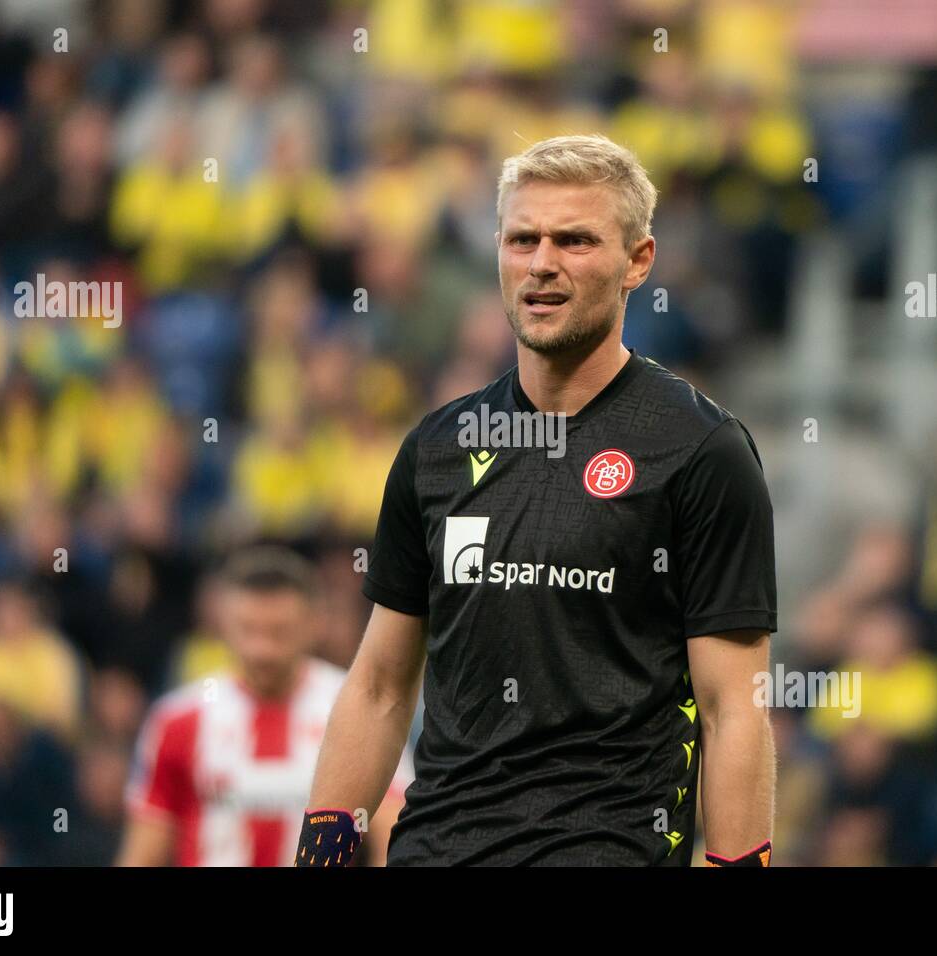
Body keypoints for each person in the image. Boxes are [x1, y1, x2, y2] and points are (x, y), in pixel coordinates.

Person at [299, 134, 777, 867]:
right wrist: (324, 846)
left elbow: (733, 708)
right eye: (523, 238)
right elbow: (378, 686)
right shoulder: (435, 450)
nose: (543, 262)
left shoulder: (700, 451)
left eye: (576, 240)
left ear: (638, 262)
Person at [117, 546, 411, 866]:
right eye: (249, 630)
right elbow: (143, 852)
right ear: (223, 624)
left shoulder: (358, 709)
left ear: (314, 624)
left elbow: (392, 838)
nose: (263, 650)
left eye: (278, 632)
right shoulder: (178, 718)